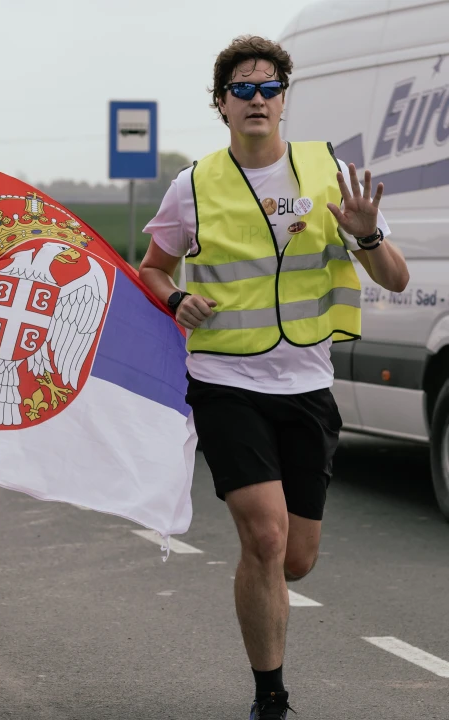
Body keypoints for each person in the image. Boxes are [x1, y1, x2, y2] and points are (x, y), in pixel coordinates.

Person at [139, 36, 409, 720]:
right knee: (263, 537)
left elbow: (396, 280)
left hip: (306, 385)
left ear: (284, 100)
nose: (256, 99)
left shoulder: (329, 174)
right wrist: (176, 298)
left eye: (269, 88)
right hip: (225, 381)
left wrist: (368, 235)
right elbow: (153, 269)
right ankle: (271, 699)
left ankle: (265, 595)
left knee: (295, 559)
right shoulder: (192, 185)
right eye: (243, 89)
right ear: (222, 104)